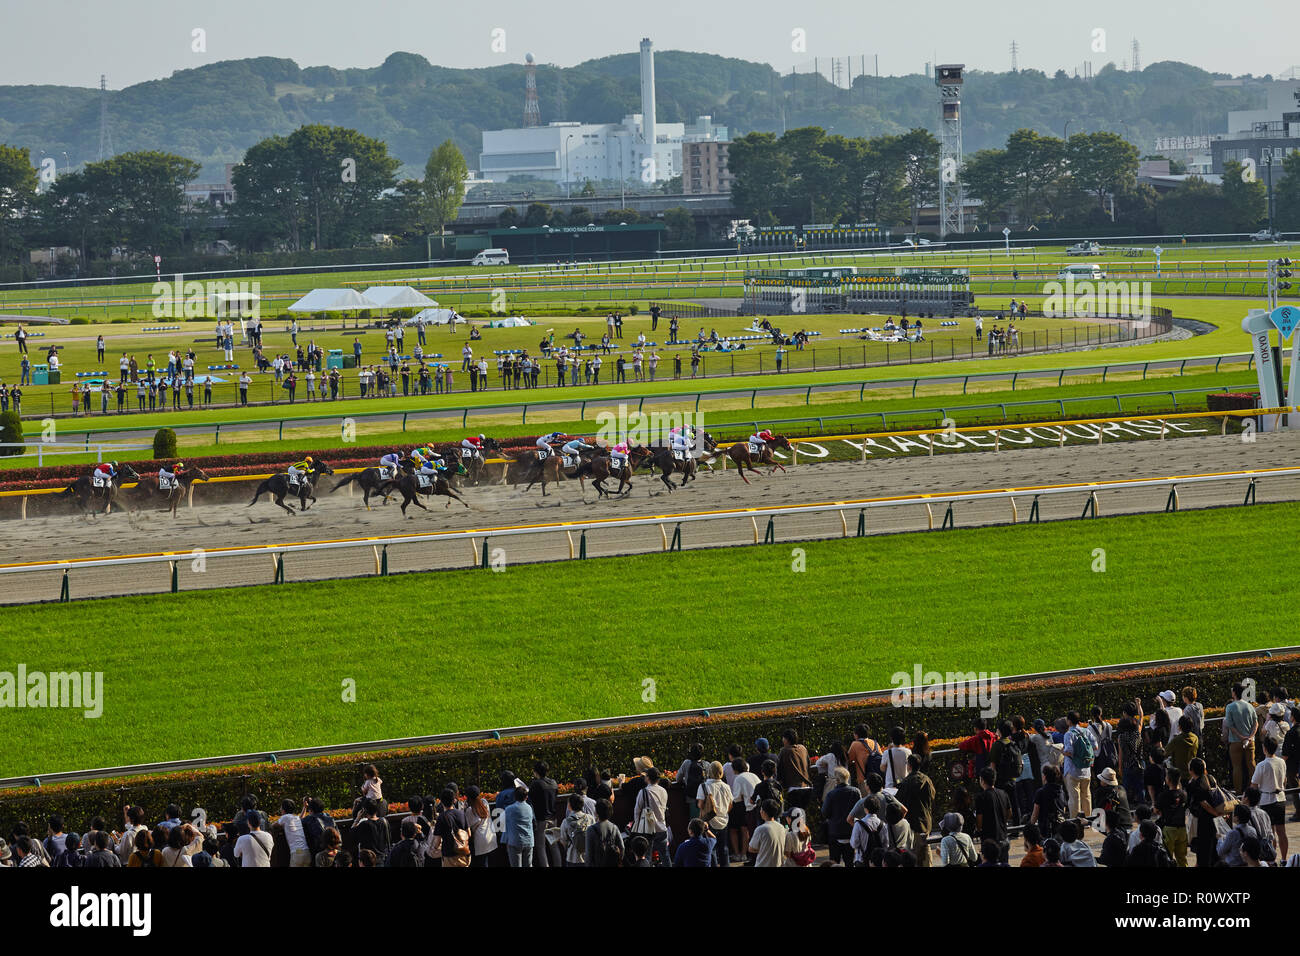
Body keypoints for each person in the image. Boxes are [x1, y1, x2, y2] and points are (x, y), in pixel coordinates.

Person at [631, 766, 670, 866]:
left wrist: (637, 827)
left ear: (648, 778)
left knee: (647, 857)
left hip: (648, 829)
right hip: (662, 828)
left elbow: (637, 811)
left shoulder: (643, 792)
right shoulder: (663, 791)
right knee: (665, 856)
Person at [821, 766, 860, 866]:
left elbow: (825, 812)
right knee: (849, 861)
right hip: (850, 831)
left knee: (834, 862)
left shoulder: (831, 794)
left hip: (835, 832)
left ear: (837, 780)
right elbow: (860, 811)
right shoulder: (856, 792)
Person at [584, 798, 623, 867]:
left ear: (596, 812)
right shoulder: (614, 827)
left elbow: (588, 854)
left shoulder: (590, 830)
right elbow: (622, 847)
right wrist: (618, 861)